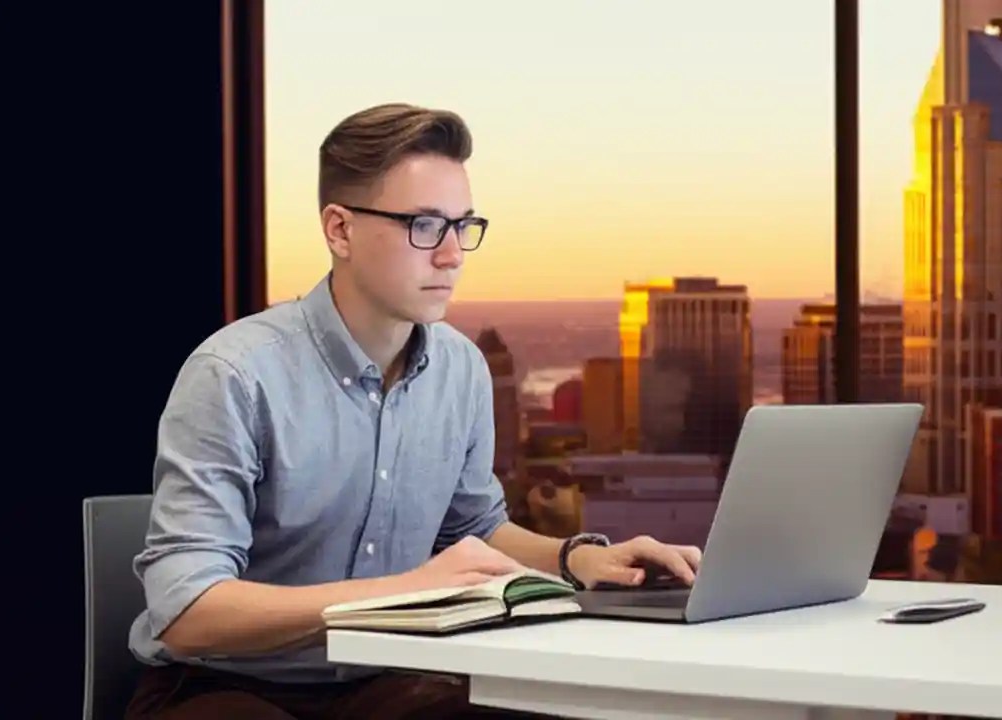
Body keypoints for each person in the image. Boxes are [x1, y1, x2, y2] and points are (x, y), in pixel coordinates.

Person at [123, 102, 702, 720]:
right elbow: (187, 615)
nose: (452, 254)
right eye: (424, 225)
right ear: (339, 230)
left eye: (463, 225)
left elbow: (472, 529)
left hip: (386, 682)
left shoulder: (461, 369)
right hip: (224, 688)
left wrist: (580, 559)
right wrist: (402, 594)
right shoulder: (234, 375)